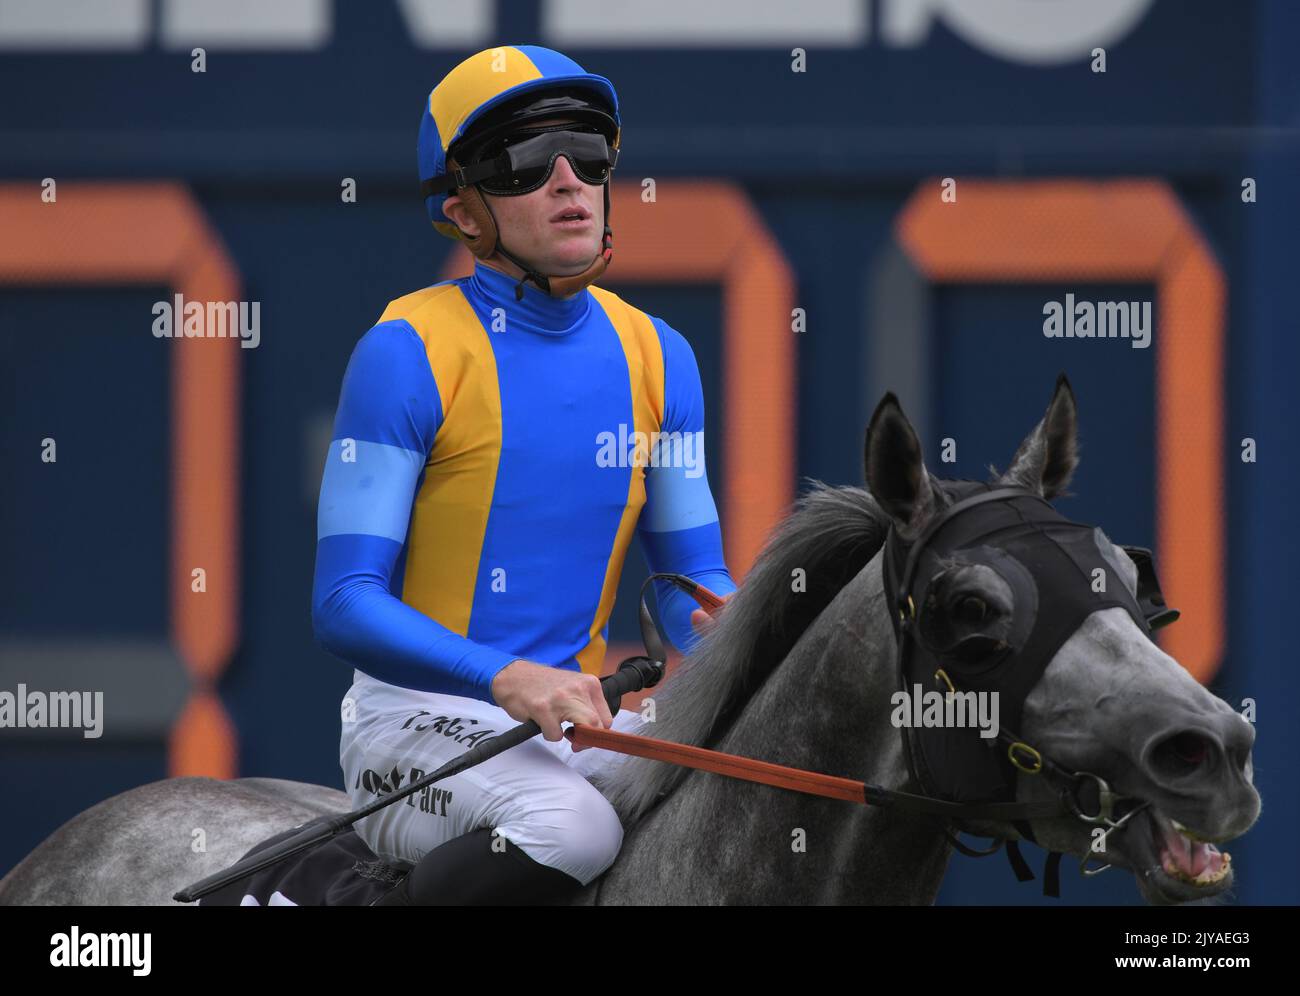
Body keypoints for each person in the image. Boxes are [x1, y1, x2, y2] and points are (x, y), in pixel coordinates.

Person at [311, 44, 736, 905]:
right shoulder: (407, 353)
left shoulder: (662, 356)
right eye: (525, 161)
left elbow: (696, 592)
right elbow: (342, 601)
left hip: (577, 719)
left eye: (589, 150)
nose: (569, 180)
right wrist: (505, 677)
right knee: (572, 830)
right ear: (463, 213)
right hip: (407, 721)